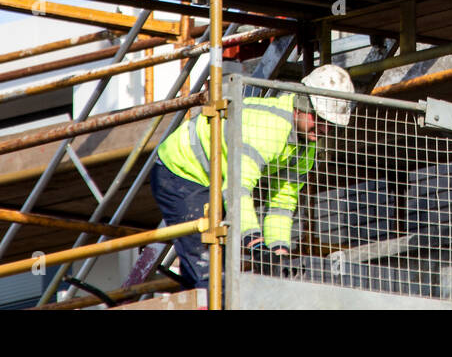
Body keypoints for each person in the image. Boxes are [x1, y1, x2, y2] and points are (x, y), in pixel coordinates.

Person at [150, 63, 355, 289]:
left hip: (214, 179)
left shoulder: (306, 146)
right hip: (180, 171)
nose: (324, 130)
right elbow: (238, 189)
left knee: (219, 272)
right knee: (213, 272)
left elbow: (282, 203)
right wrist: (256, 244)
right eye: (321, 120)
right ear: (301, 107)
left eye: (330, 125)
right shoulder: (270, 128)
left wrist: (278, 252)